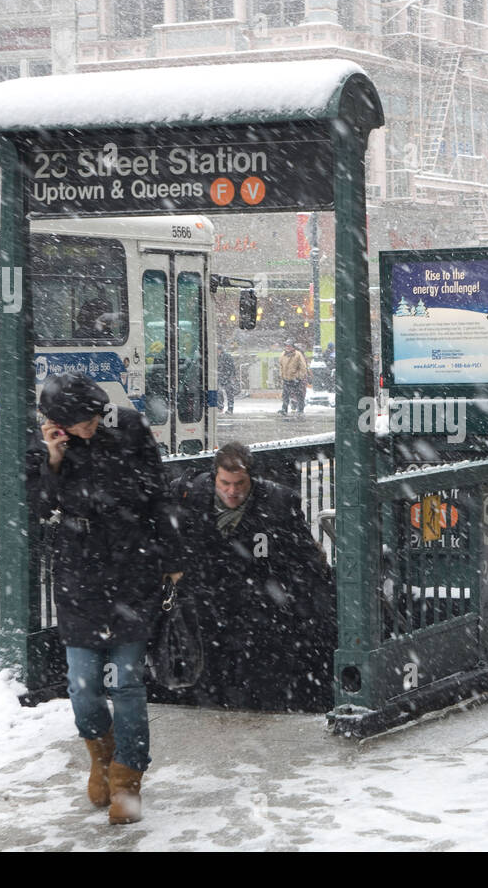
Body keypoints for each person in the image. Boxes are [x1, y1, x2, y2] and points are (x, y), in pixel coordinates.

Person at [28, 371, 183, 824]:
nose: (90, 426)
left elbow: (160, 495)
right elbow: (39, 507)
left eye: (94, 417)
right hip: (79, 581)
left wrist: (172, 557)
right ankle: (101, 755)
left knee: (128, 684)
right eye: (79, 422)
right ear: (56, 421)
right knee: (82, 685)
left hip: (133, 573)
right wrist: (53, 459)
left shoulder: (130, 426)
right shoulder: (44, 444)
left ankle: (127, 781)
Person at [170, 441, 335, 712]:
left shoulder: (279, 502)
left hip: (258, 613)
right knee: (208, 687)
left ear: (252, 479)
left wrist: (284, 596)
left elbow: (305, 562)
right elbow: (159, 529)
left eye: (240, 484)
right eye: (225, 483)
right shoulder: (188, 493)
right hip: (204, 609)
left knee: (257, 690)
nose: (232, 491)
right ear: (214, 477)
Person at [278, 340, 309, 416]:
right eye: (286, 346)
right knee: (285, 395)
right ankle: (284, 409)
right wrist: (281, 375)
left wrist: (299, 377)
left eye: (289, 346)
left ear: (293, 347)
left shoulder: (298, 355)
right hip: (286, 378)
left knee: (299, 395)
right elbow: (281, 366)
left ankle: (300, 410)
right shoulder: (283, 355)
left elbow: (303, 367)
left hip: (296, 379)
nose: (287, 347)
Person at [217, 345, 238, 414]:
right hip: (223, 377)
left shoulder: (226, 356)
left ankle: (227, 408)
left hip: (225, 377)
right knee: (221, 393)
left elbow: (232, 367)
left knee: (227, 393)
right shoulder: (218, 357)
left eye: (218, 350)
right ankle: (223, 407)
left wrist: (232, 376)